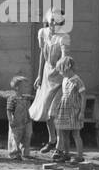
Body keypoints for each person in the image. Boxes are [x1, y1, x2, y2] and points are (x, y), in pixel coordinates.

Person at [28, 10, 71, 153]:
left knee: (54, 112)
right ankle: (52, 140)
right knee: (46, 112)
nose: (54, 24)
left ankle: (60, 147)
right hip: (47, 75)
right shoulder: (42, 33)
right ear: (48, 20)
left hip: (59, 77)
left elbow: (64, 58)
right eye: (52, 20)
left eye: (57, 22)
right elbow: (42, 54)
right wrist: (39, 75)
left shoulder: (63, 37)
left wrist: (66, 77)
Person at [51, 54, 86, 164]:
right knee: (64, 134)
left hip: (74, 110)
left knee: (76, 134)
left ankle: (79, 156)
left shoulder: (77, 80)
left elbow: (83, 96)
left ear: (68, 67)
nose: (60, 73)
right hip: (64, 110)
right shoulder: (65, 80)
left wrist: (82, 112)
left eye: (61, 70)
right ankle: (66, 154)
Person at [6, 75, 34, 160]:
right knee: (15, 138)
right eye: (25, 86)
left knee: (27, 136)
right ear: (17, 87)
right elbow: (9, 110)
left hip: (27, 120)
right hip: (16, 121)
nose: (27, 87)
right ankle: (14, 153)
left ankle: (25, 153)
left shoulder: (26, 97)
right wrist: (11, 120)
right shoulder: (12, 98)